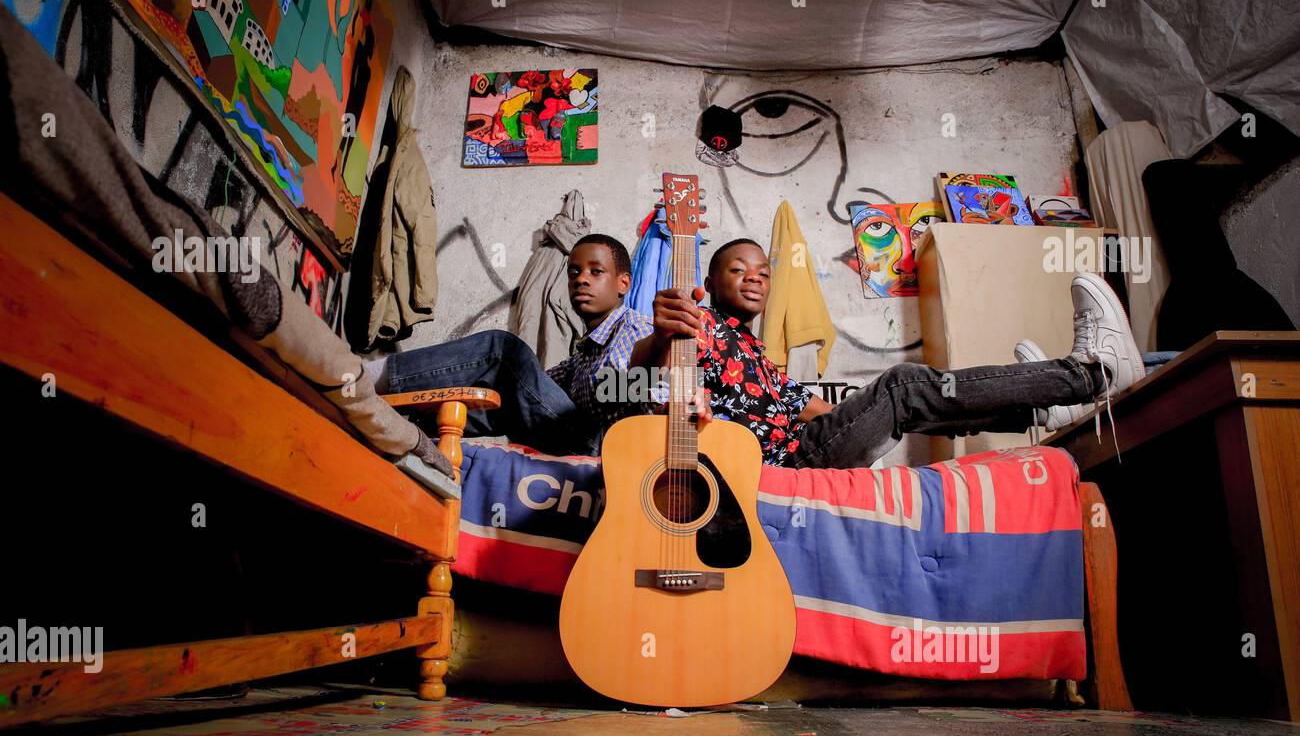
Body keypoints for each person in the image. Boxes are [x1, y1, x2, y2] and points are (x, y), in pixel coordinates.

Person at [629, 238, 1145, 469]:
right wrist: (658, 339)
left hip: (803, 443)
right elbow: (647, 373)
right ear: (712, 281)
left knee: (910, 402)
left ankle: (1038, 407)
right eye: (739, 269)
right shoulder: (699, 322)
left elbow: (807, 407)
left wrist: (877, 413)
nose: (755, 278)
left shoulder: (757, 352)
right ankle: (1091, 373)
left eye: (763, 271)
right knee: (901, 388)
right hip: (782, 464)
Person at [369, 234, 656, 455]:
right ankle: (405, 425)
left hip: (604, 450)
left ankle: (366, 379)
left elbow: (646, 393)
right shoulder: (584, 351)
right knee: (505, 396)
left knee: (503, 350)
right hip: (584, 440)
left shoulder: (635, 328)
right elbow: (530, 388)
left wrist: (653, 365)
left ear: (623, 283)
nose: (581, 279)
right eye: (573, 272)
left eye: (596, 272)